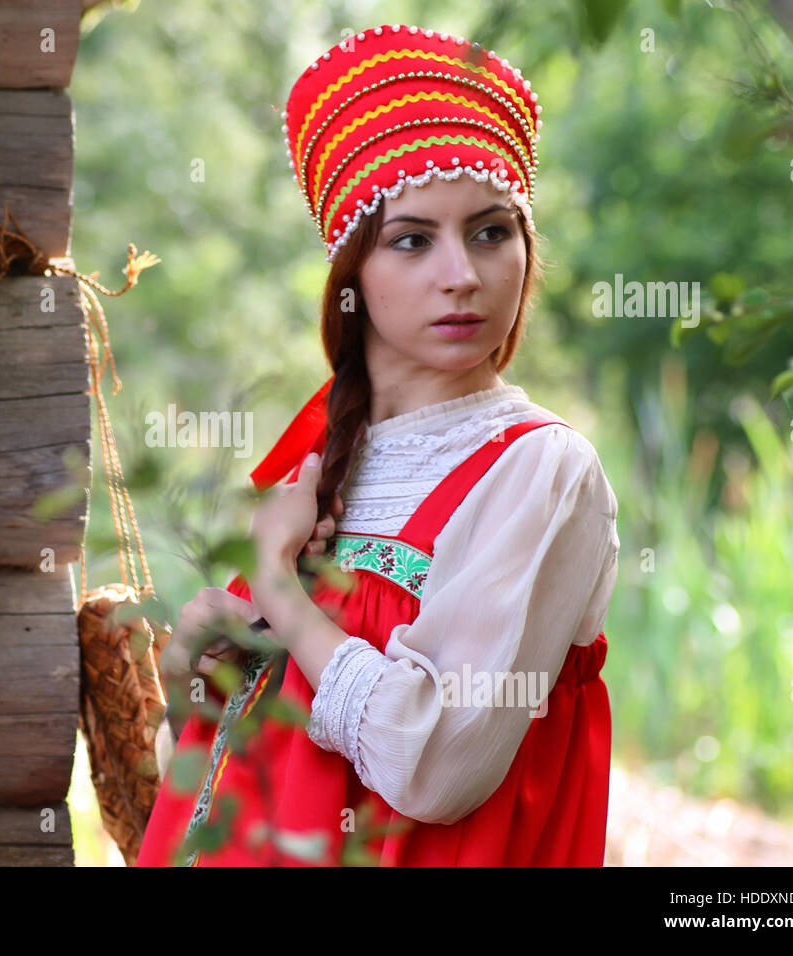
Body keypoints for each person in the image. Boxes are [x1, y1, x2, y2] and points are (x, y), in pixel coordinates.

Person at [139, 25, 619, 866]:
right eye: (412, 239)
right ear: (351, 274)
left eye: (489, 232)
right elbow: (232, 767)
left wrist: (284, 599)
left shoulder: (539, 470)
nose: (461, 274)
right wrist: (196, 667)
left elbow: (433, 765)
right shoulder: (324, 460)